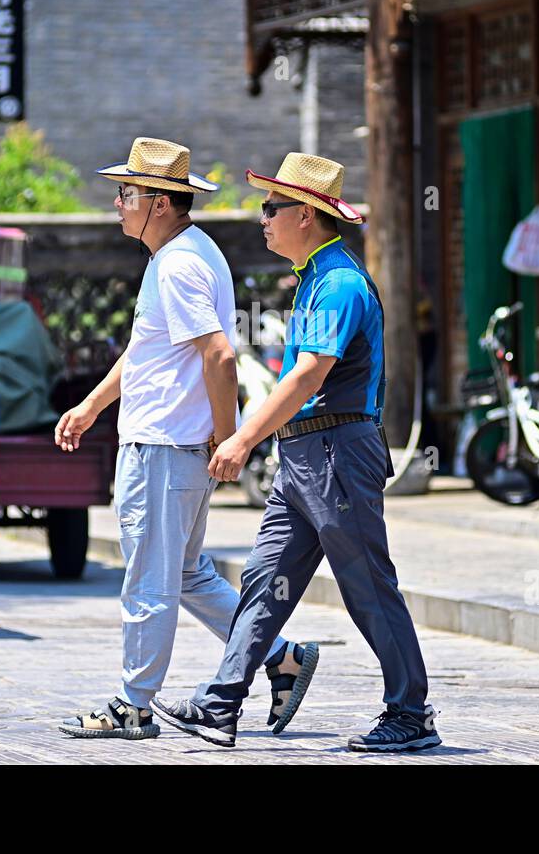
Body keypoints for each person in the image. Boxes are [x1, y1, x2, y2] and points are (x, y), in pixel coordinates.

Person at [152, 152, 440, 752]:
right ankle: (220, 703)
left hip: (337, 453)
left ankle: (411, 713)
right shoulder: (314, 276)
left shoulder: (338, 283)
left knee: (365, 585)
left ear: (306, 214)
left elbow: (308, 375)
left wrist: (240, 437)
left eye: (271, 208)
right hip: (305, 456)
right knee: (265, 580)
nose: (263, 218)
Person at [56, 138, 318, 740]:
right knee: (185, 576)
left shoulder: (177, 265)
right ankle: (281, 657)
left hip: (166, 449)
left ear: (161, 204)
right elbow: (148, 353)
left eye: (127, 194)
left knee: (149, 580)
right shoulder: (180, 255)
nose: (118, 204)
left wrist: (229, 441)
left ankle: (134, 705)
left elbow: (220, 356)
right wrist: (93, 405)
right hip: (172, 446)